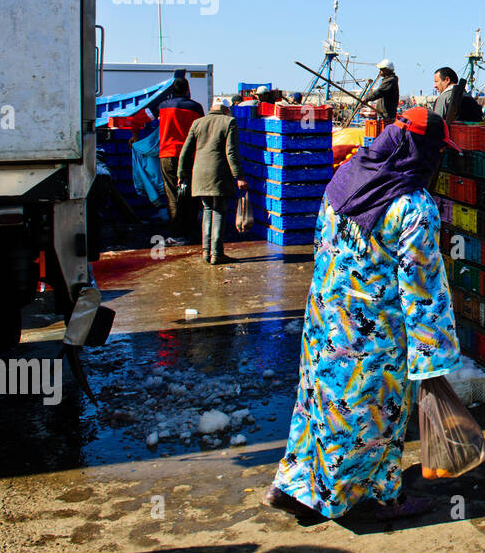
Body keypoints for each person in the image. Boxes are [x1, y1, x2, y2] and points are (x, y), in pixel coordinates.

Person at [263, 107, 462, 524]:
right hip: (374, 338)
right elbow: (422, 288)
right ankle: (383, 499)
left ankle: (295, 484)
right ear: (421, 152)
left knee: (317, 404)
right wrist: (432, 360)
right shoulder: (413, 206)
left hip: (324, 322)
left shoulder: (346, 179)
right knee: (374, 418)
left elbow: (322, 245)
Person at [177, 97, 247, 264]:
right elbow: (231, 153)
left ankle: (206, 252)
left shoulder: (198, 123)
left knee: (207, 209)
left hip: (199, 174)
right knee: (219, 211)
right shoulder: (229, 122)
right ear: (226, 109)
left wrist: (181, 174)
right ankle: (217, 253)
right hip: (219, 174)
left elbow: (186, 151)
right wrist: (239, 177)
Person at [155, 76, 204, 242]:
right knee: (190, 193)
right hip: (189, 156)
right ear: (187, 90)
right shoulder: (195, 108)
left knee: (172, 195)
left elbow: (140, 118)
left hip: (167, 156)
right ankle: (191, 231)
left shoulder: (161, 107)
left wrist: (134, 134)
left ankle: (177, 234)